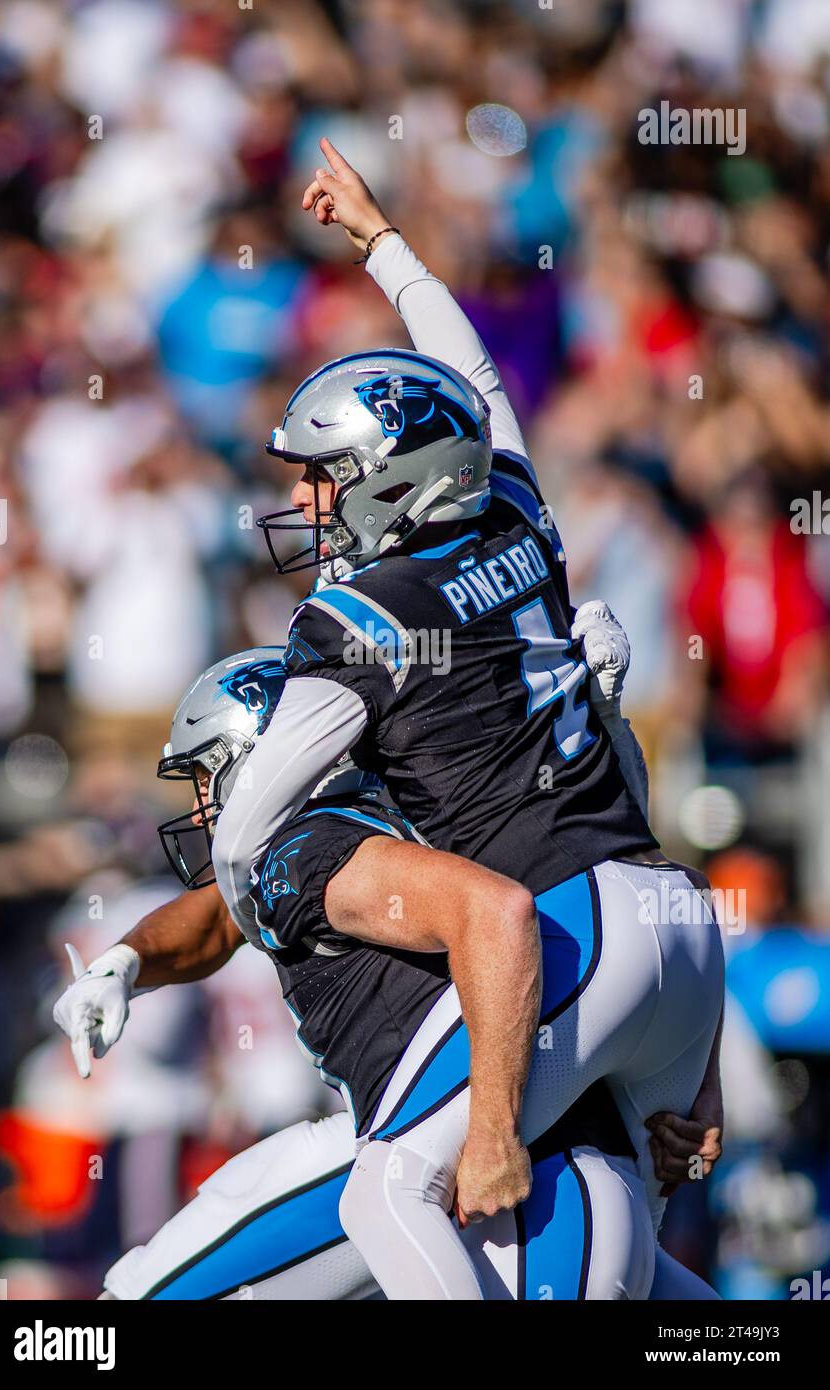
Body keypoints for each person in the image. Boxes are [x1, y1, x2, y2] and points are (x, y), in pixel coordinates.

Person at [207, 139, 725, 1298]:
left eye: (322, 475)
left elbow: (245, 827)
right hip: (677, 929)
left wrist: (258, 904)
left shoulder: (356, 617)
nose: (302, 499)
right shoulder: (517, 520)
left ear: (388, 477)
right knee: (634, 1266)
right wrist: (381, 242)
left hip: (569, 928)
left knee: (386, 1187)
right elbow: (473, 375)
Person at [54, 648, 721, 1300]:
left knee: (144, 1292)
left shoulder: (305, 850)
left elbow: (491, 911)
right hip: (584, 1193)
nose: (200, 807)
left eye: (205, 775)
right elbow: (663, 897)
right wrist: (124, 963)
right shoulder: (404, 825)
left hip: (500, 1192)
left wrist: (494, 1128)